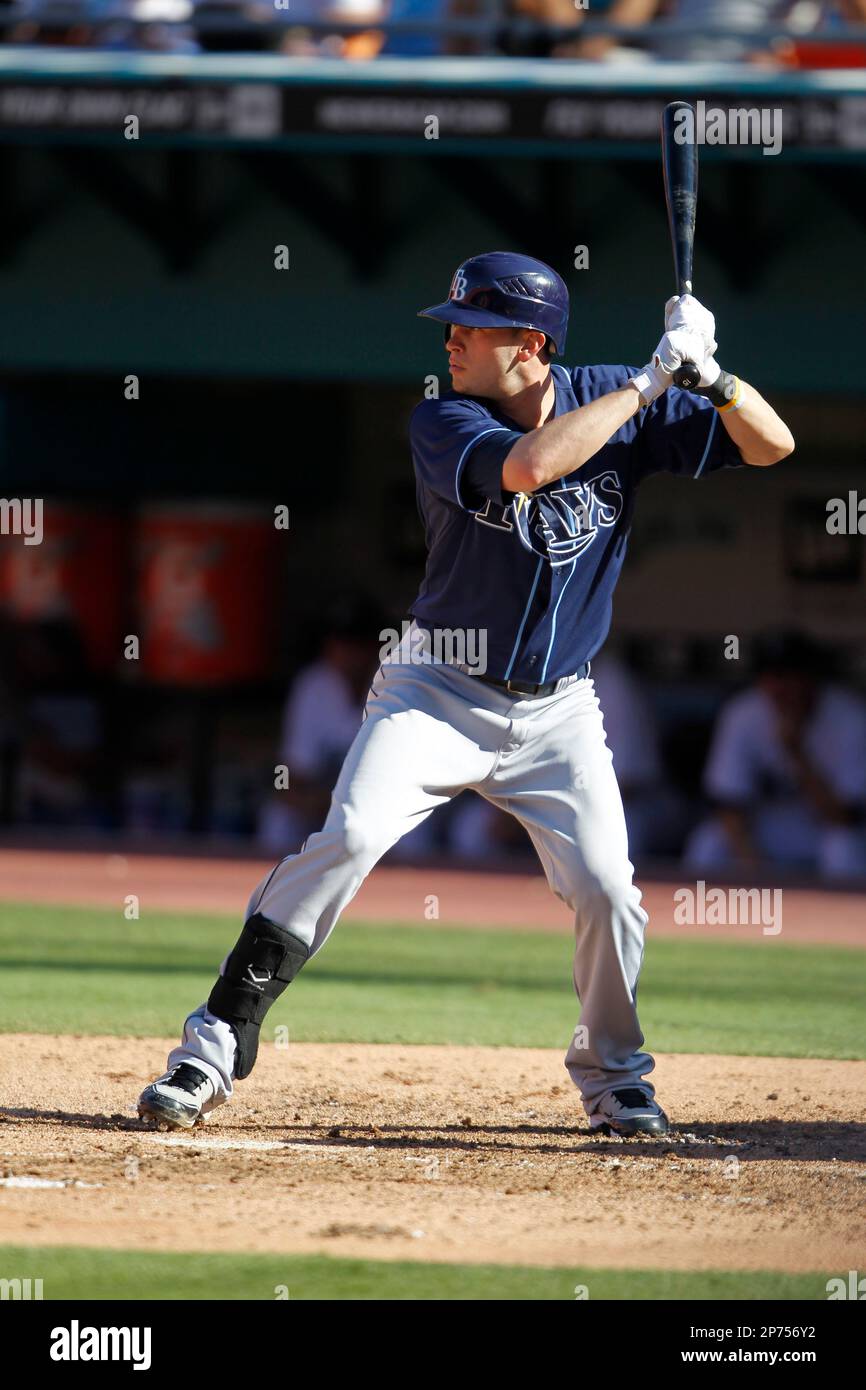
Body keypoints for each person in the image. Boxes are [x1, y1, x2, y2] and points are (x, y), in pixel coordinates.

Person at [138, 250, 794, 1139]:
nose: (449, 339)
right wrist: (649, 383)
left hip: (559, 708)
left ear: (530, 341)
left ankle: (615, 1078)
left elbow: (772, 444)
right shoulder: (445, 417)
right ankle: (212, 1045)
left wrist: (713, 378)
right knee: (352, 835)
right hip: (437, 688)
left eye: (469, 326)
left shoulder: (613, 396)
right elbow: (528, 468)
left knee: (609, 889)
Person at [684, 631, 866, 880]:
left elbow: (842, 817)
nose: (779, 687)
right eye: (770, 676)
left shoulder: (850, 718)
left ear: (810, 677)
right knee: (708, 841)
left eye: (788, 676)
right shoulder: (742, 714)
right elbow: (728, 805)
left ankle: (845, 920)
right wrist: (755, 869)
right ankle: (702, 917)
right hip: (771, 825)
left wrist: (796, 753)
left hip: (823, 829)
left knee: (843, 847)